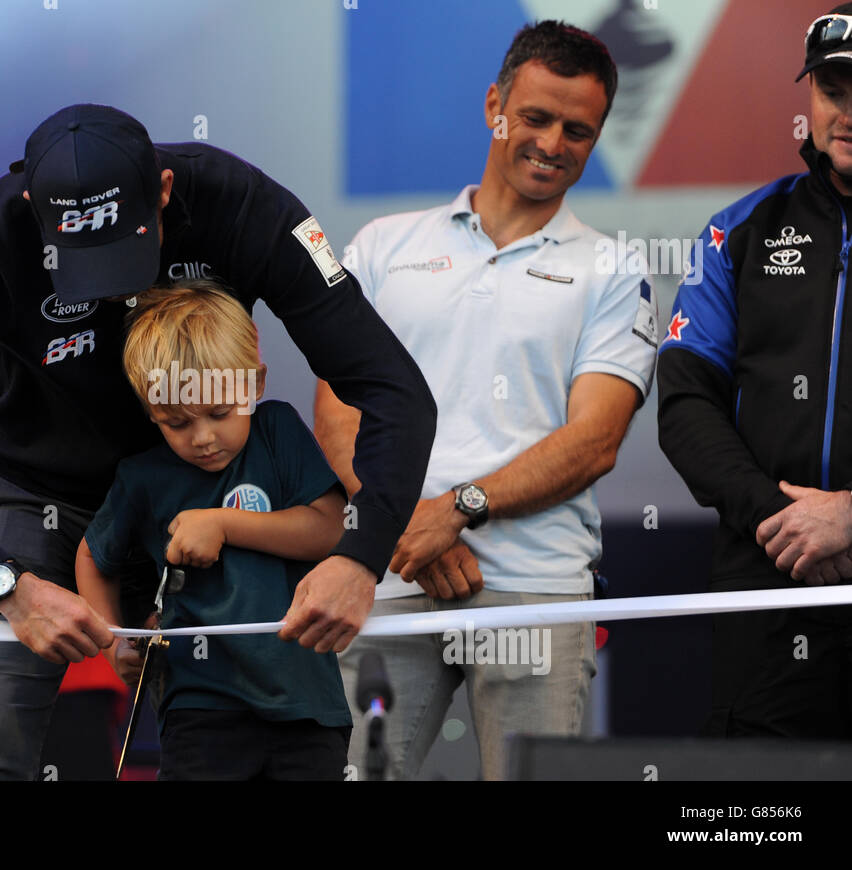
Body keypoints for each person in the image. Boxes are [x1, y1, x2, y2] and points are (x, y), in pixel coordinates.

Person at [0, 103, 436, 779]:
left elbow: (394, 389)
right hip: (30, 496)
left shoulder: (246, 207)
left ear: (163, 190)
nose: (110, 291)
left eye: (127, 255)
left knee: (223, 739)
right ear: (32, 210)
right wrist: (6, 586)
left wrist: (361, 557)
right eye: (83, 265)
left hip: (196, 506)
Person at [316, 21, 656, 780]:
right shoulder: (382, 246)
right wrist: (407, 520)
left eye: (578, 130)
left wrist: (457, 509)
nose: (553, 142)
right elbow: (339, 408)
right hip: (393, 571)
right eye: (535, 117)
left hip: (535, 589)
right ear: (495, 106)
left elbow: (596, 439)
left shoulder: (614, 267)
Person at [658, 4, 852, 739]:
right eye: (835, 89)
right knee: (765, 820)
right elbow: (684, 406)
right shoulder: (740, 230)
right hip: (770, 596)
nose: (849, 113)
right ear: (810, 96)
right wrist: (787, 524)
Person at [76, 281, 350, 780]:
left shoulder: (278, 432)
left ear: (255, 384)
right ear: (150, 410)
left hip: (307, 703)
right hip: (199, 706)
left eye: (220, 414)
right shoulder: (142, 477)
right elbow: (93, 557)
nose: (202, 438)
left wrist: (223, 523)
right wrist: (117, 639)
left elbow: (329, 528)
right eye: (177, 423)